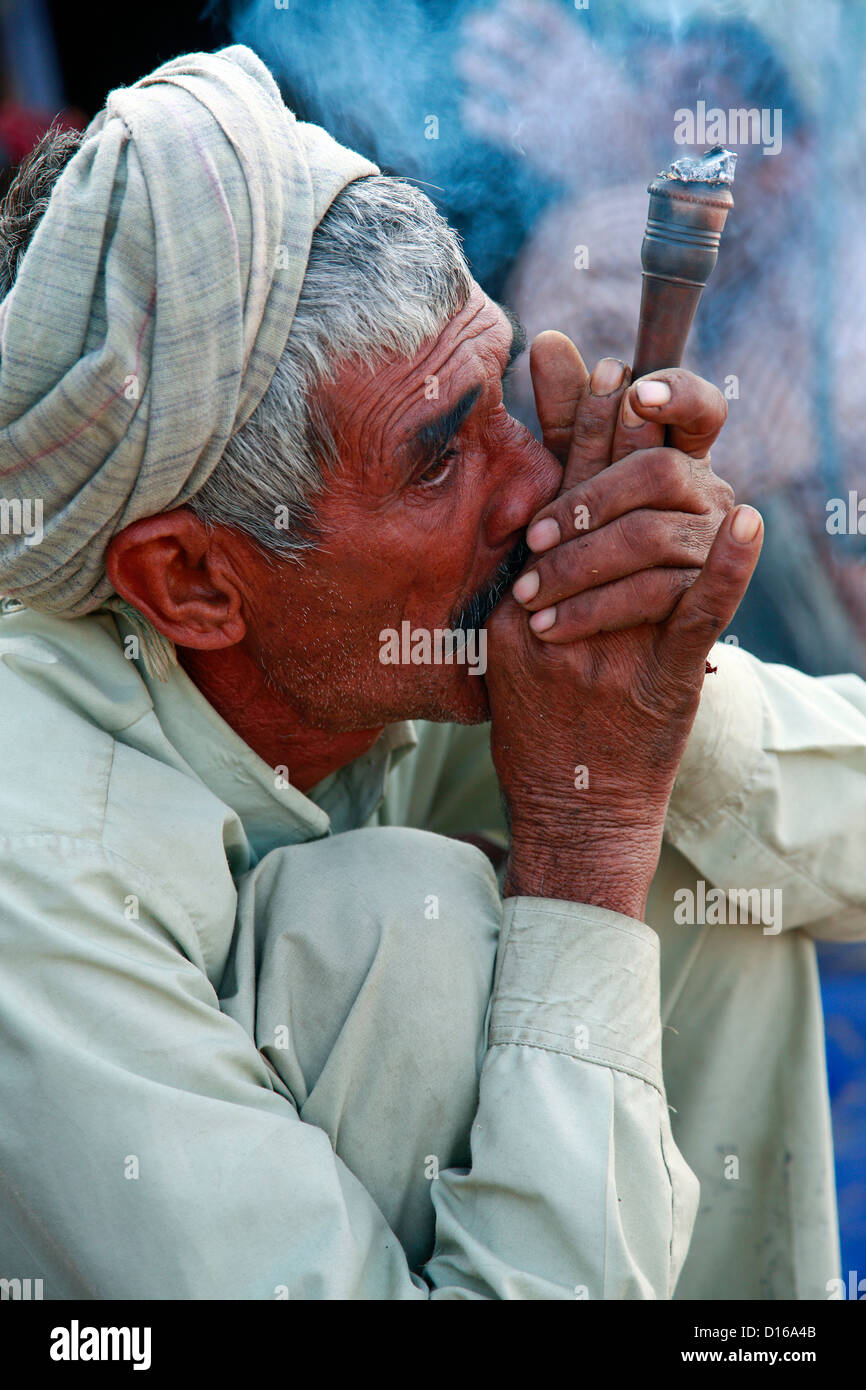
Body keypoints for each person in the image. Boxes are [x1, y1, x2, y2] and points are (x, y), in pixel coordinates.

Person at [0, 44, 863, 1301]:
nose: (529, 488)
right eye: (441, 453)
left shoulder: (393, 640)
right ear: (191, 583)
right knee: (399, 925)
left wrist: (650, 692)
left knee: (689, 841)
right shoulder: (41, 875)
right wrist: (582, 835)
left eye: (498, 392)